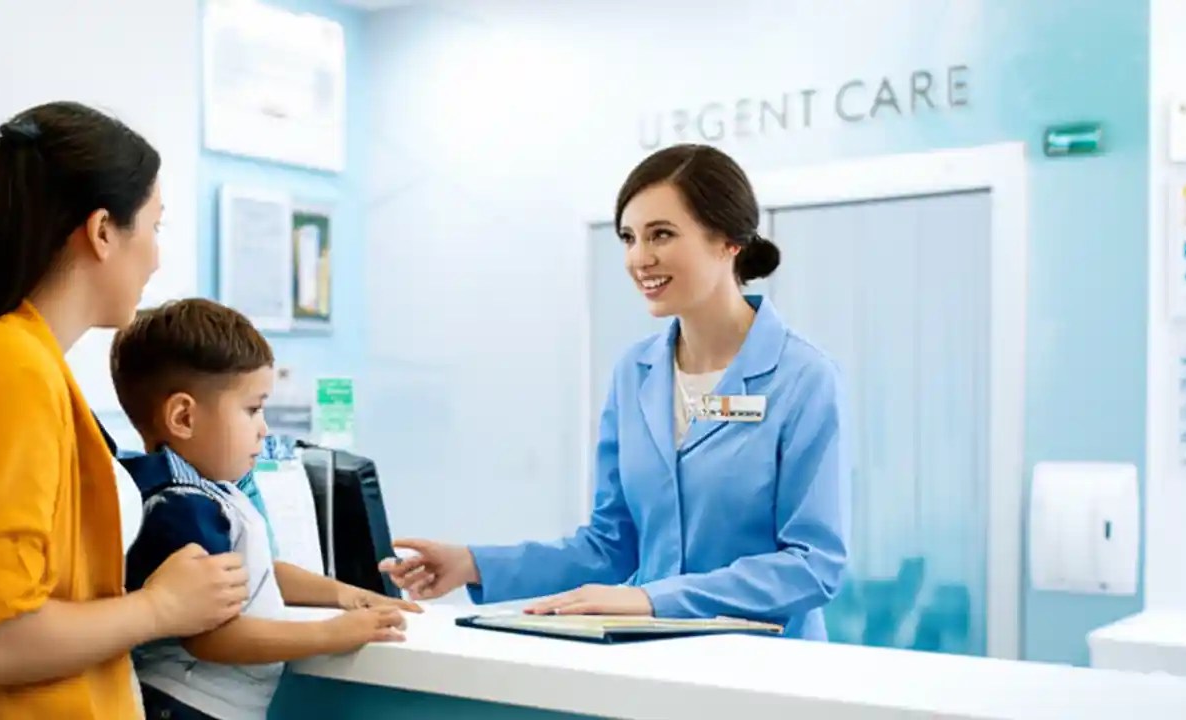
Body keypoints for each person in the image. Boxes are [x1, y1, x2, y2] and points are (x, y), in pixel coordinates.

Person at [385, 143, 850, 640]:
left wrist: (652, 599)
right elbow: (611, 547)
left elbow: (812, 565)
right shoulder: (636, 373)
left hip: (766, 671)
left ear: (728, 241)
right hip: (647, 666)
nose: (638, 259)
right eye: (628, 238)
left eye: (661, 235)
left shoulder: (802, 377)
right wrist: (474, 564)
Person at [0, 101, 250, 717]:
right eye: (154, 227)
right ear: (101, 232)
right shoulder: (11, 367)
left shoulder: (26, 362)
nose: (156, 257)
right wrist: (159, 608)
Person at [111, 298, 421, 720]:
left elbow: (254, 573)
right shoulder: (181, 504)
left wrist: (343, 594)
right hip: (186, 707)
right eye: (252, 409)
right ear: (183, 417)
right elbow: (211, 637)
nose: (264, 427)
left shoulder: (210, 492)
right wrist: (328, 634)